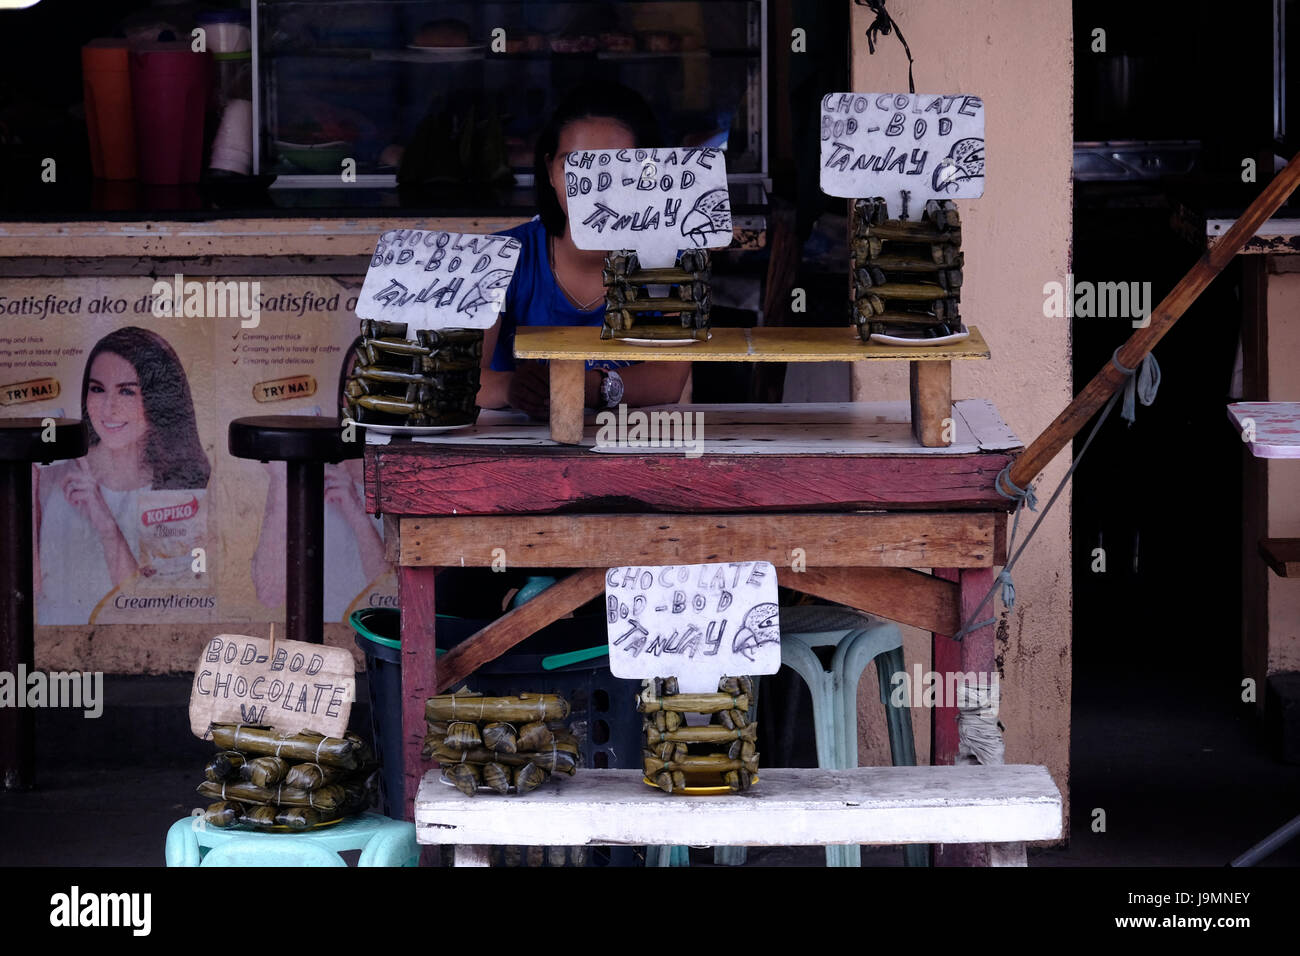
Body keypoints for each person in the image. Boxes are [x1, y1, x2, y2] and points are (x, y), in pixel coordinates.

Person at [476, 84, 691, 418]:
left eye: (615, 171)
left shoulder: (669, 263)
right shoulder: (500, 257)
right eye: (574, 167)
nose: (593, 189)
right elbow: (468, 378)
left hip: (628, 447)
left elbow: (668, 381)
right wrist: (509, 388)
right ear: (549, 170)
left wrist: (584, 387)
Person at [34, 326, 211, 625]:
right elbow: (27, 593)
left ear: (160, 399)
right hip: (58, 660)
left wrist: (104, 522)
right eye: (97, 389)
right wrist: (28, 482)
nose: (108, 408)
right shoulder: (52, 473)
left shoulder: (179, 487)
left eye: (127, 391)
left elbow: (151, 613)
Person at [249, 338, 391, 621]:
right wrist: (280, 480)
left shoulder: (409, 472)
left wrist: (356, 514)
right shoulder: (314, 467)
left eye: (379, 384)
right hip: (322, 640)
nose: (363, 395)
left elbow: (394, 592)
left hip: (379, 636)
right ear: (342, 395)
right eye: (355, 382)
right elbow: (269, 593)